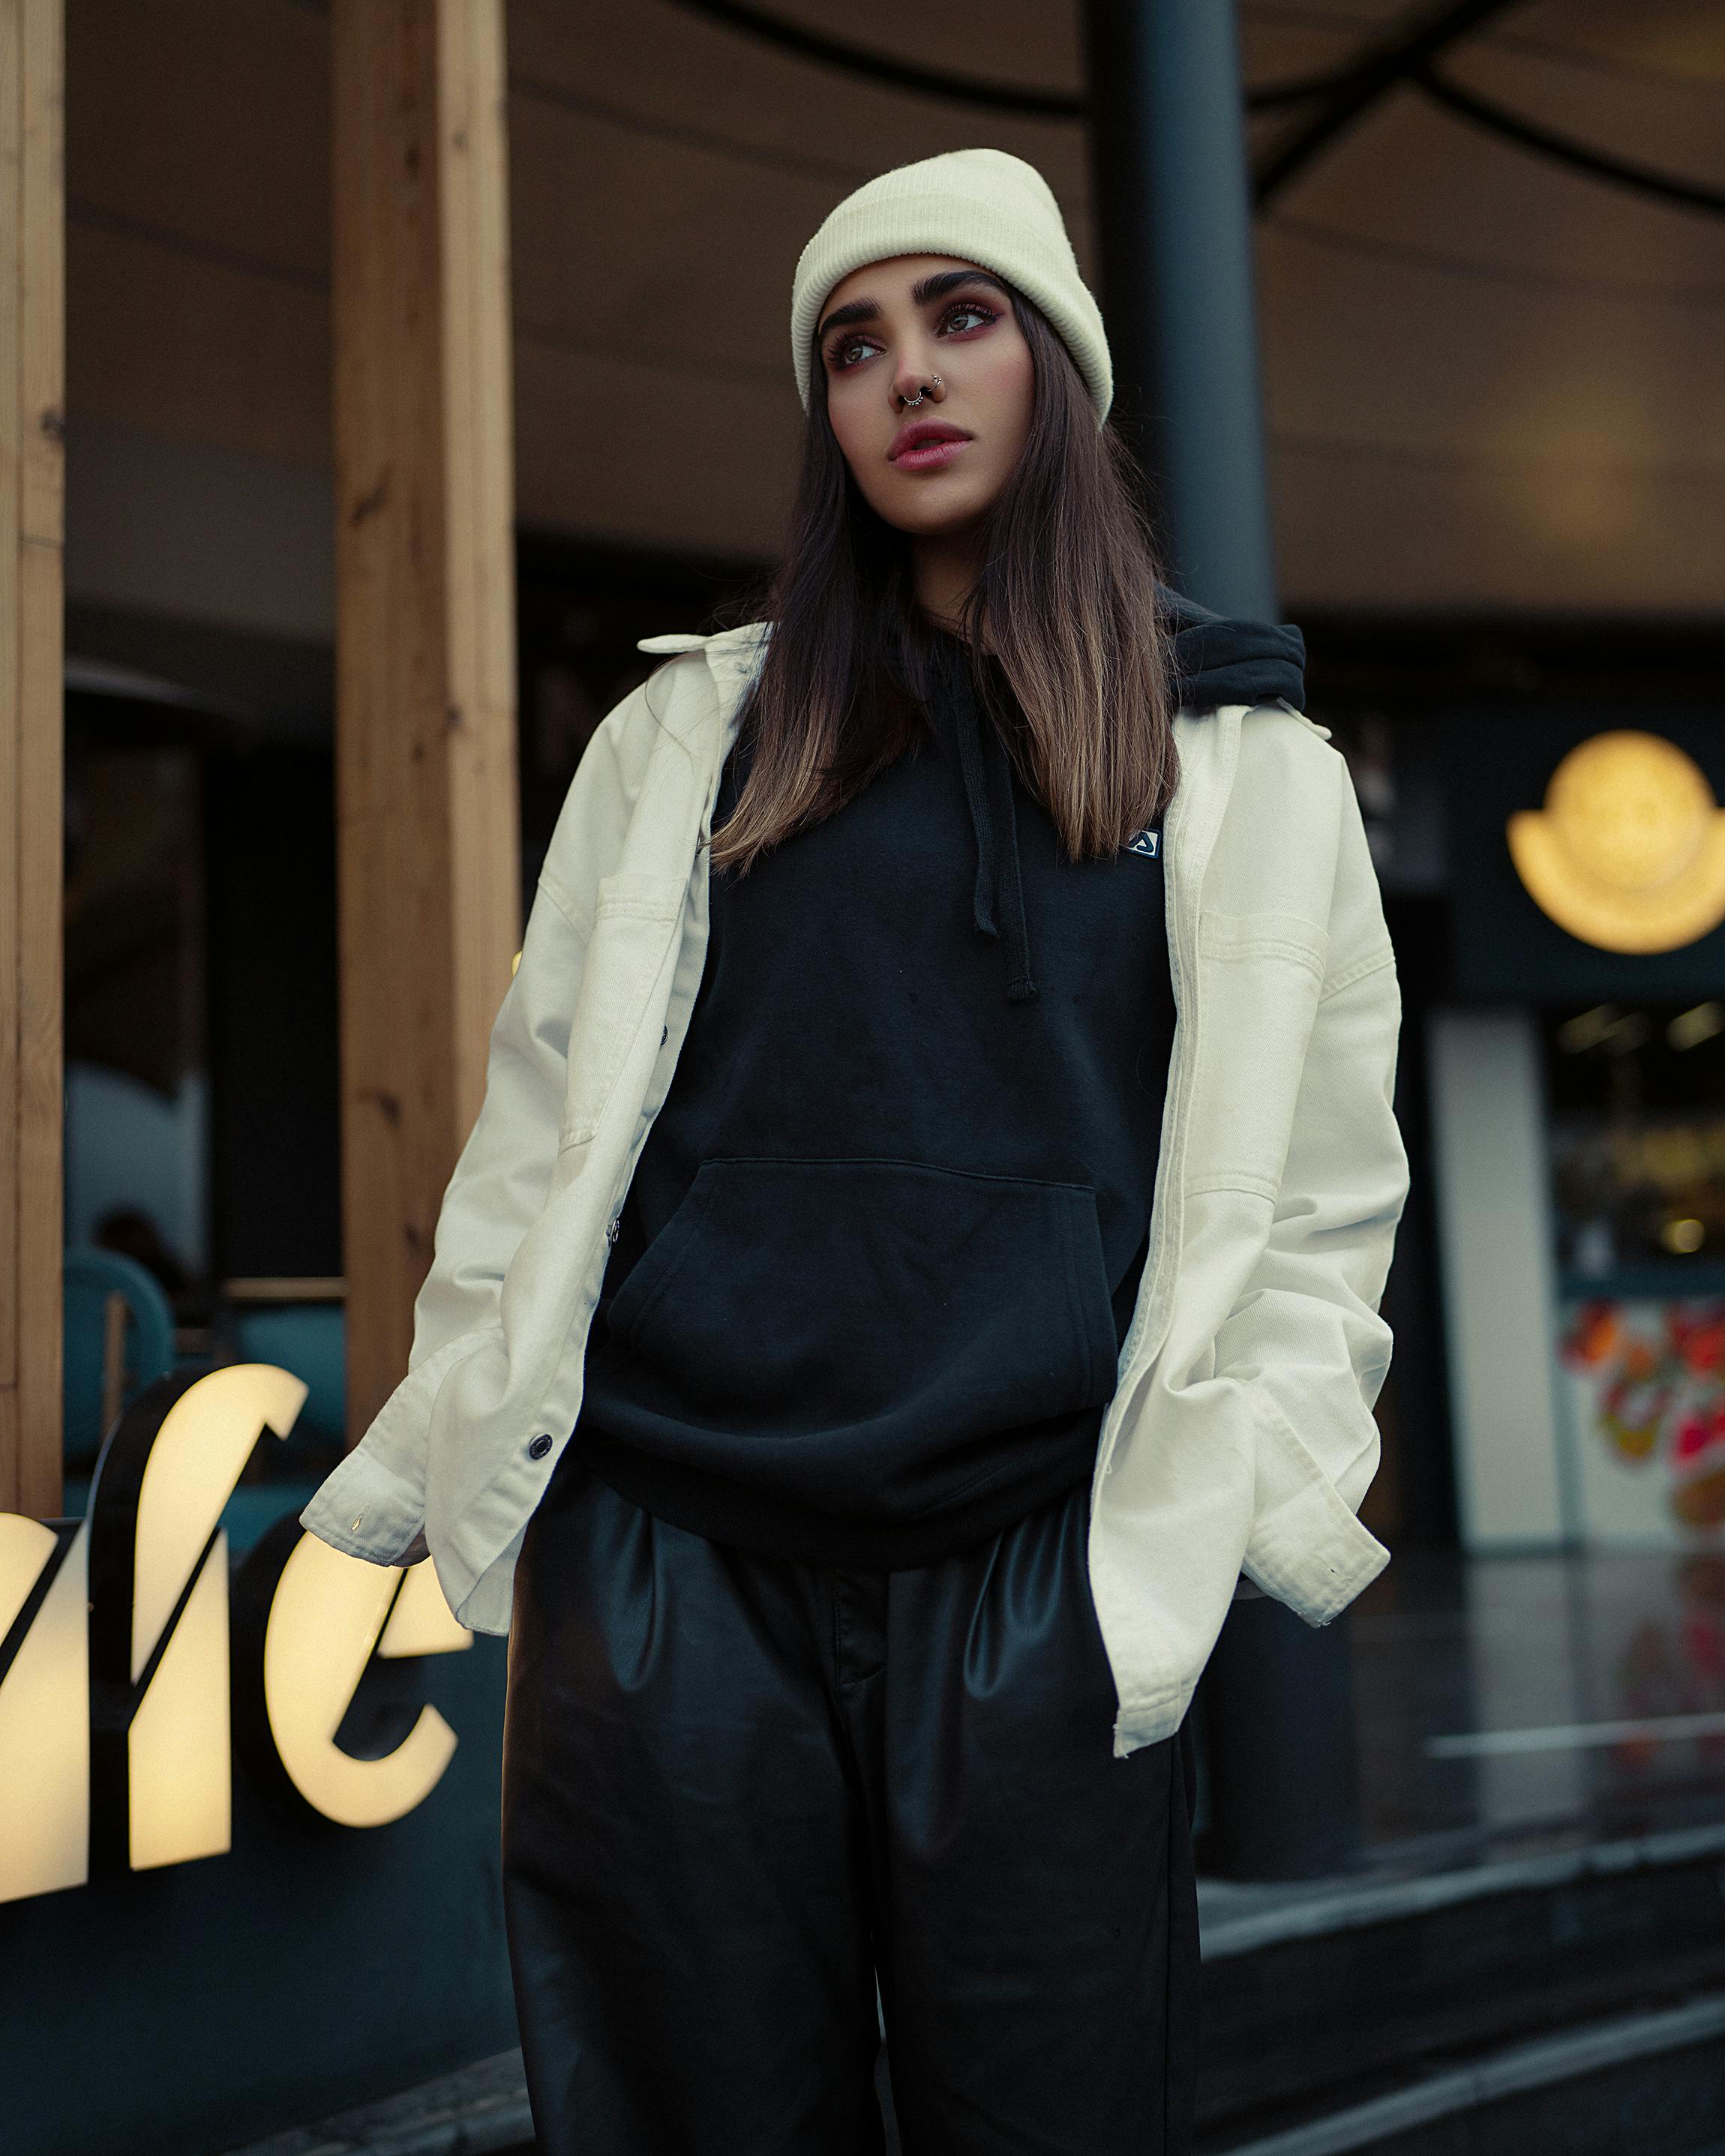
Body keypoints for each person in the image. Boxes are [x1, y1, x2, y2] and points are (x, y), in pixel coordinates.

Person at [304, 147, 1408, 2155]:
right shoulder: (691, 740)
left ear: (1049, 364)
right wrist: (477, 1433)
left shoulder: (1242, 769)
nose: (904, 372)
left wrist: (1252, 1476)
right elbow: (536, 1125)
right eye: (852, 344)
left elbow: (1331, 1192)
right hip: (667, 1558)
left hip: (1035, 1559)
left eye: (957, 317)